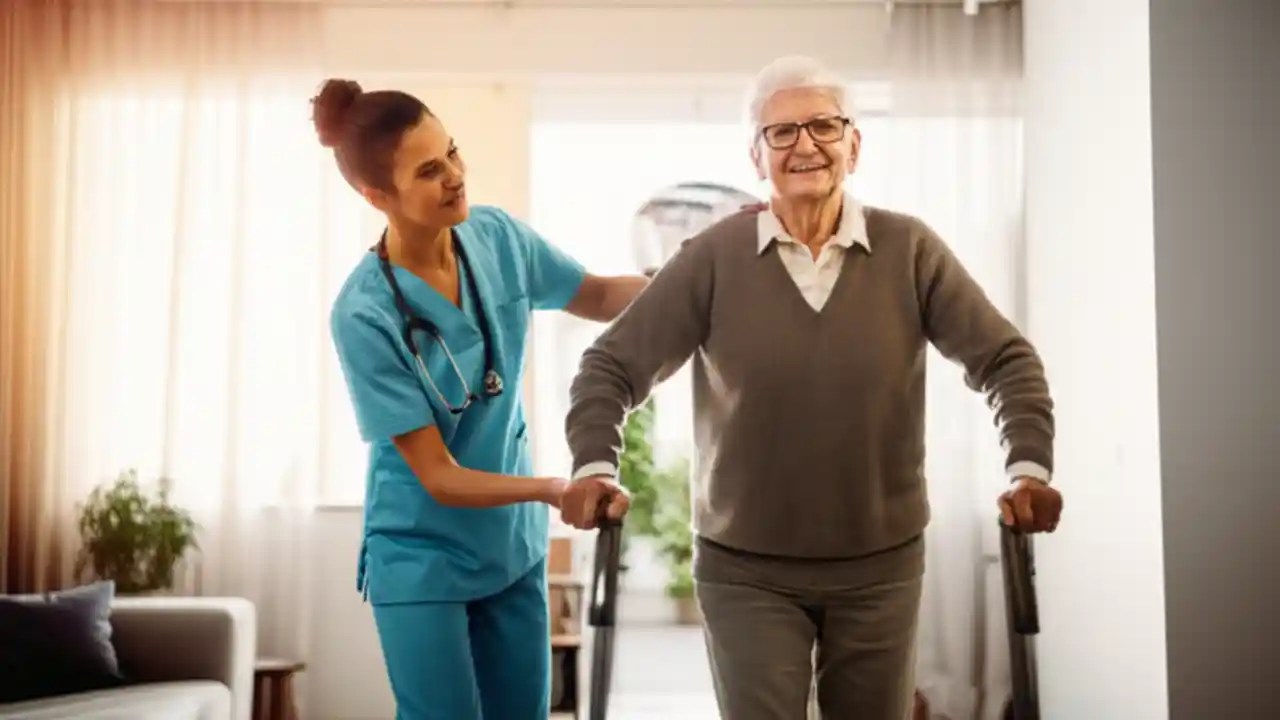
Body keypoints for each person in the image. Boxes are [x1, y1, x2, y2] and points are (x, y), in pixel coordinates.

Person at [558, 56, 1065, 720]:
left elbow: (1006, 360)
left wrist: (1028, 467)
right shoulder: (710, 258)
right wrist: (596, 464)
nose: (805, 145)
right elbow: (610, 367)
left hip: (880, 565)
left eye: (824, 126)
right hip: (746, 569)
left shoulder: (910, 250)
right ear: (755, 155)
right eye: (782, 132)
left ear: (854, 145)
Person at [312, 79, 638, 720]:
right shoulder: (365, 312)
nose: (457, 176)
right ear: (376, 195)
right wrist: (551, 489)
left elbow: (596, 296)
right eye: (430, 171)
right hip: (421, 553)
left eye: (453, 153)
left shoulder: (497, 239)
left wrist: (695, 277)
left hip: (509, 545)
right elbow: (438, 475)